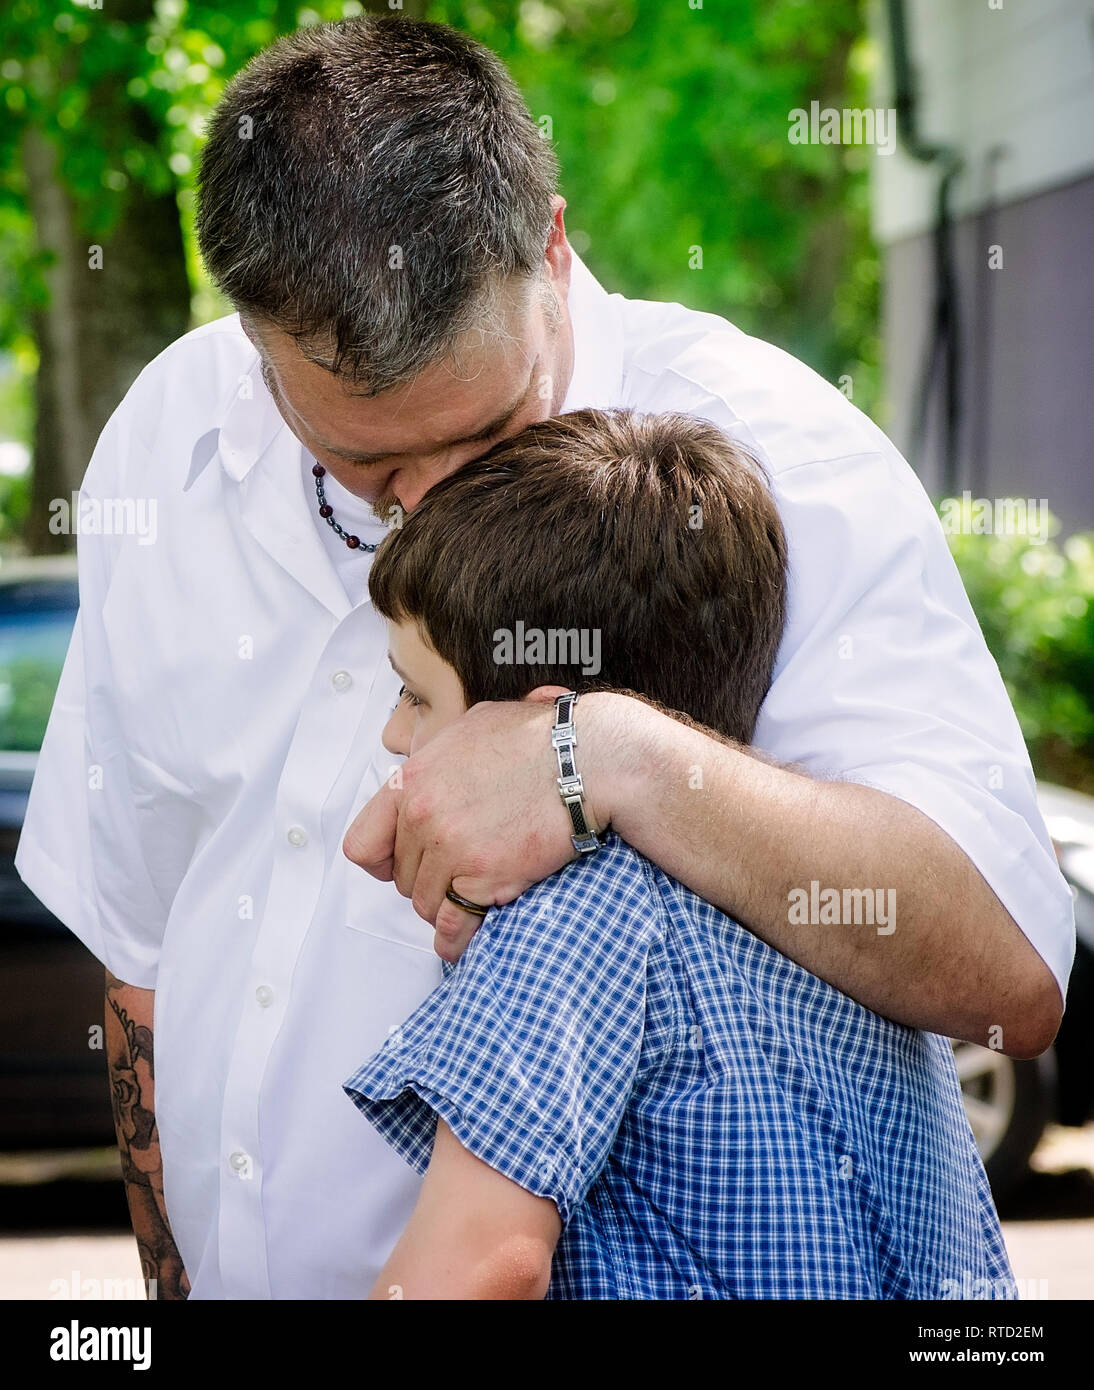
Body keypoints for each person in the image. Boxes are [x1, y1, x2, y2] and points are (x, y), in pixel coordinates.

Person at [15, 15, 1071, 1299]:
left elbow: (1004, 977)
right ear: (255, 342)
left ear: (551, 245)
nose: (440, 506)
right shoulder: (163, 442)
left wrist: (609, 756)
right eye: (370, 466)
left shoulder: (778, 471)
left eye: (491, 427)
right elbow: (145, 950)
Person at [344, 406, 1016, 1301]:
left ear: (536, 727)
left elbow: (482, 1265)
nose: (395, 734)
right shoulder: (827, 921)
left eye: (414, 694)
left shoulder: (561, 919)